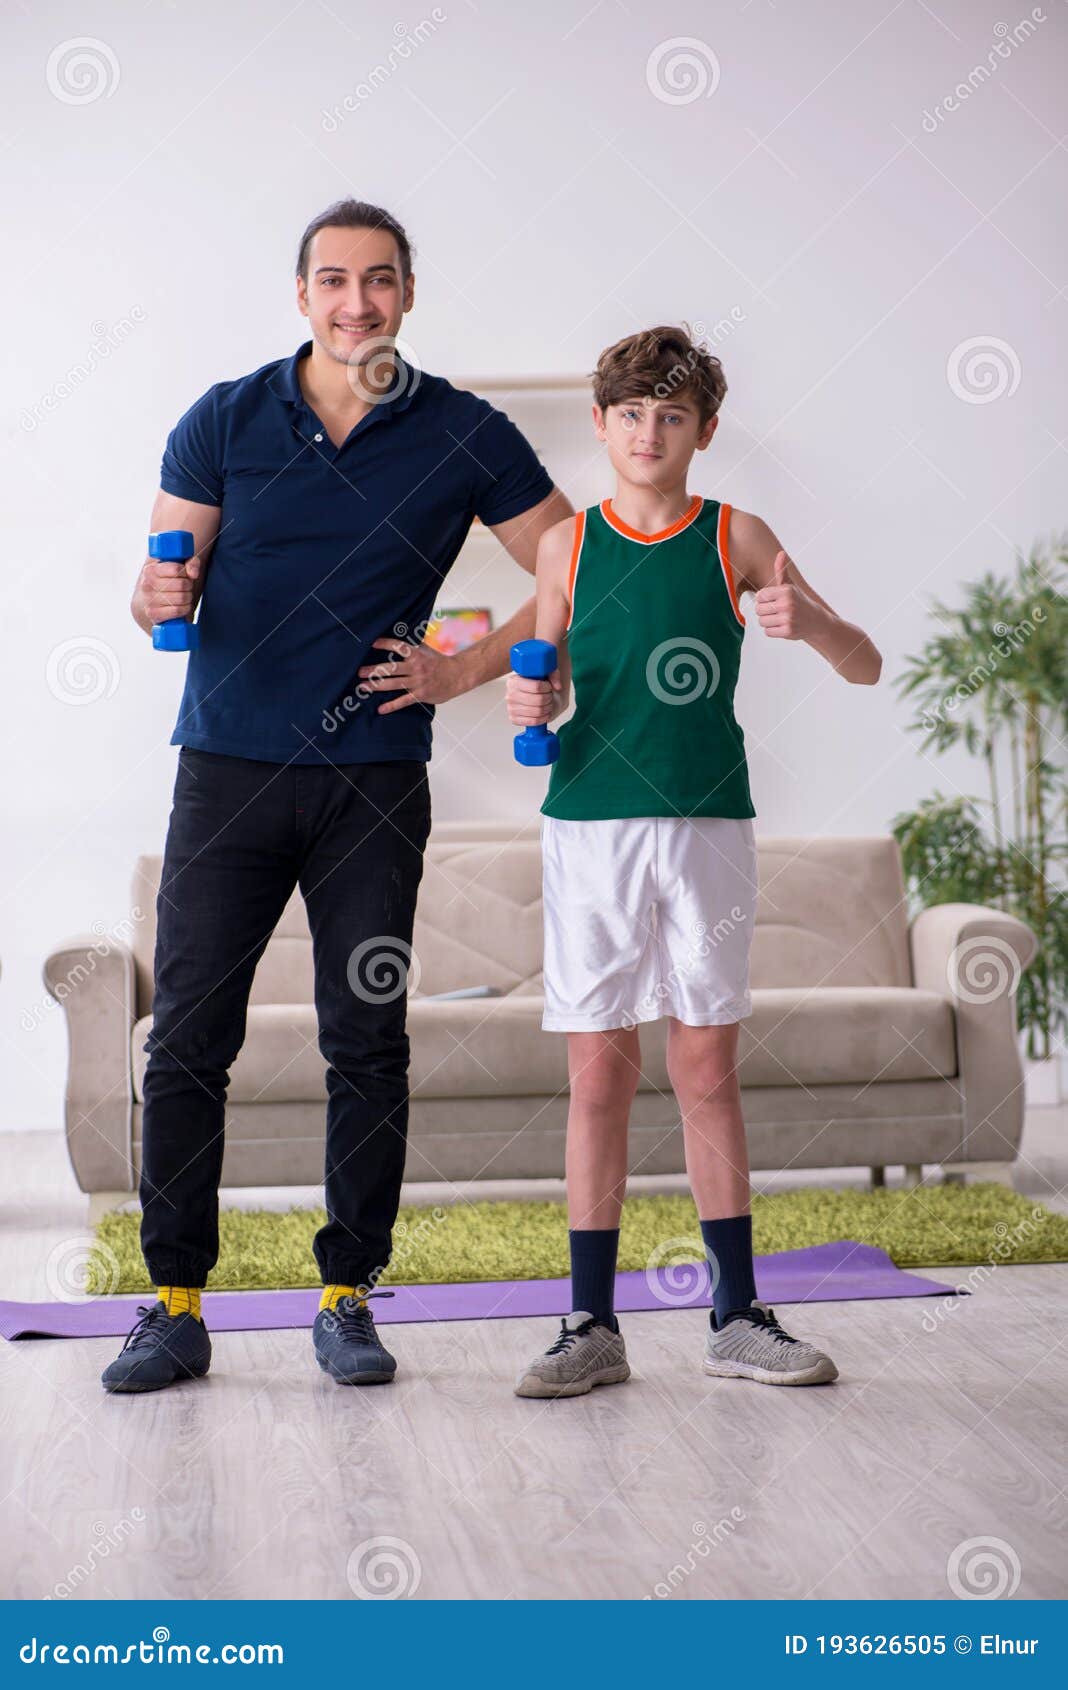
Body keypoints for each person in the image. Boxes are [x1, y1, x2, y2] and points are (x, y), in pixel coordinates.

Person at [102, 198, 572, 1394]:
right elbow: (165, 575)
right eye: (332, 280)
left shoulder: (464, 431)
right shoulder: (225, 415)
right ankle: (172, 1306)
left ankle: (348, 1295)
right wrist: (155, 600)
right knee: (186, 1043)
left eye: (377, 279)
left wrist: (464, 669)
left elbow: (578, 556)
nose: (355, 300)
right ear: (302, 294)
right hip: (227, 774)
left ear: (408, 292)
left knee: (366, 1041)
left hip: (372, 782)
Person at [505, 325, 882, 1398]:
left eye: (670, 416)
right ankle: (589, 1323)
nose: (648, 433)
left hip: (709, 822)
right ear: (601, 424)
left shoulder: (738, 536)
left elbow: (865, 665)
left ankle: (735, 1313)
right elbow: (552, 683)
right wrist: (533, 699)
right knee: (596, 1080)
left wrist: (808, 620)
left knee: (707, 1068)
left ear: (703, 431)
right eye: (630, 414)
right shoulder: (565, 547)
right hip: (589, 827)